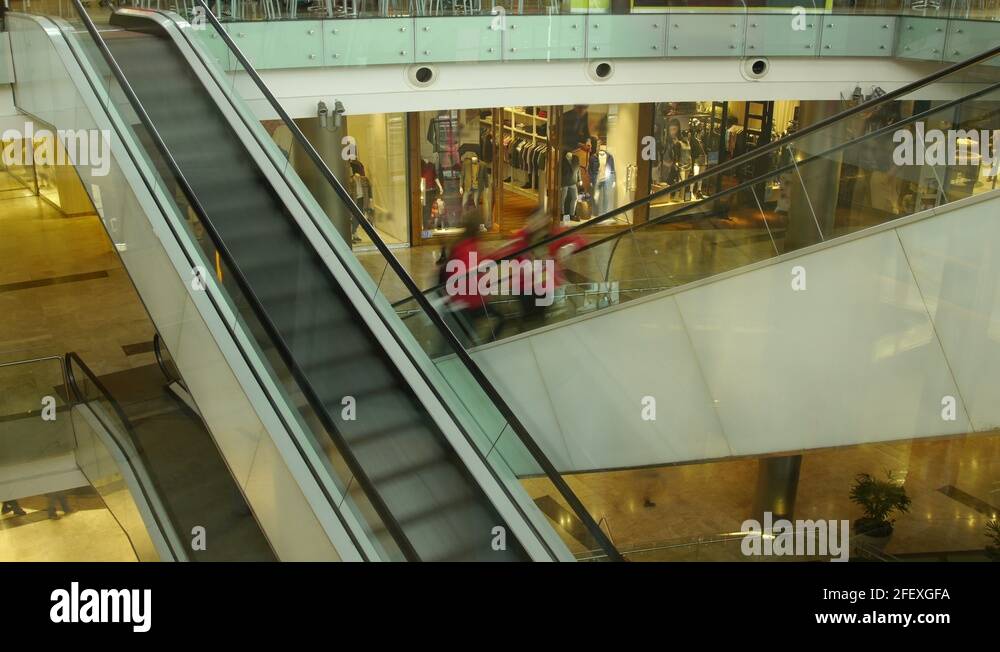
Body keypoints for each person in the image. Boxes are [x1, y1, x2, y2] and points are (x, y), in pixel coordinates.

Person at [442, 212, 505, 345]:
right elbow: (470, 272)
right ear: (477, 227)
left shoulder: (465, 243)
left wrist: (494, 256)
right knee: (460, 341)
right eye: (481, 226)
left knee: (459, 339)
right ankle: (484, 348)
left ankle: (481, 348)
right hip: (467, 302)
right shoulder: (468, 246)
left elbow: (475, 265)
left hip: (464, 301)